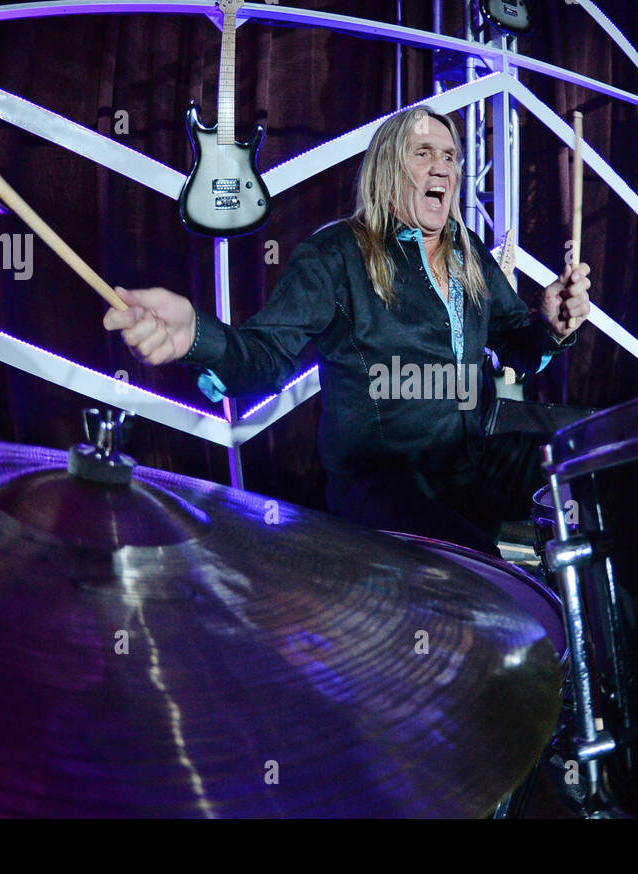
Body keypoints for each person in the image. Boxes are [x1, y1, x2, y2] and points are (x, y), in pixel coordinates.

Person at [103, 105, 591, 557]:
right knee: (480, 570)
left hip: (470, 462)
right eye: (423, 154)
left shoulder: (471, 257)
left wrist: (551, 327)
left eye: (449, 156)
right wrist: (195, 336)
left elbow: (517, 350)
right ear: (387, 168)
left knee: (591, 475)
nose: (442, 167)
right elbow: (265, 358)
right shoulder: (335, 255)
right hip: (381, 482)